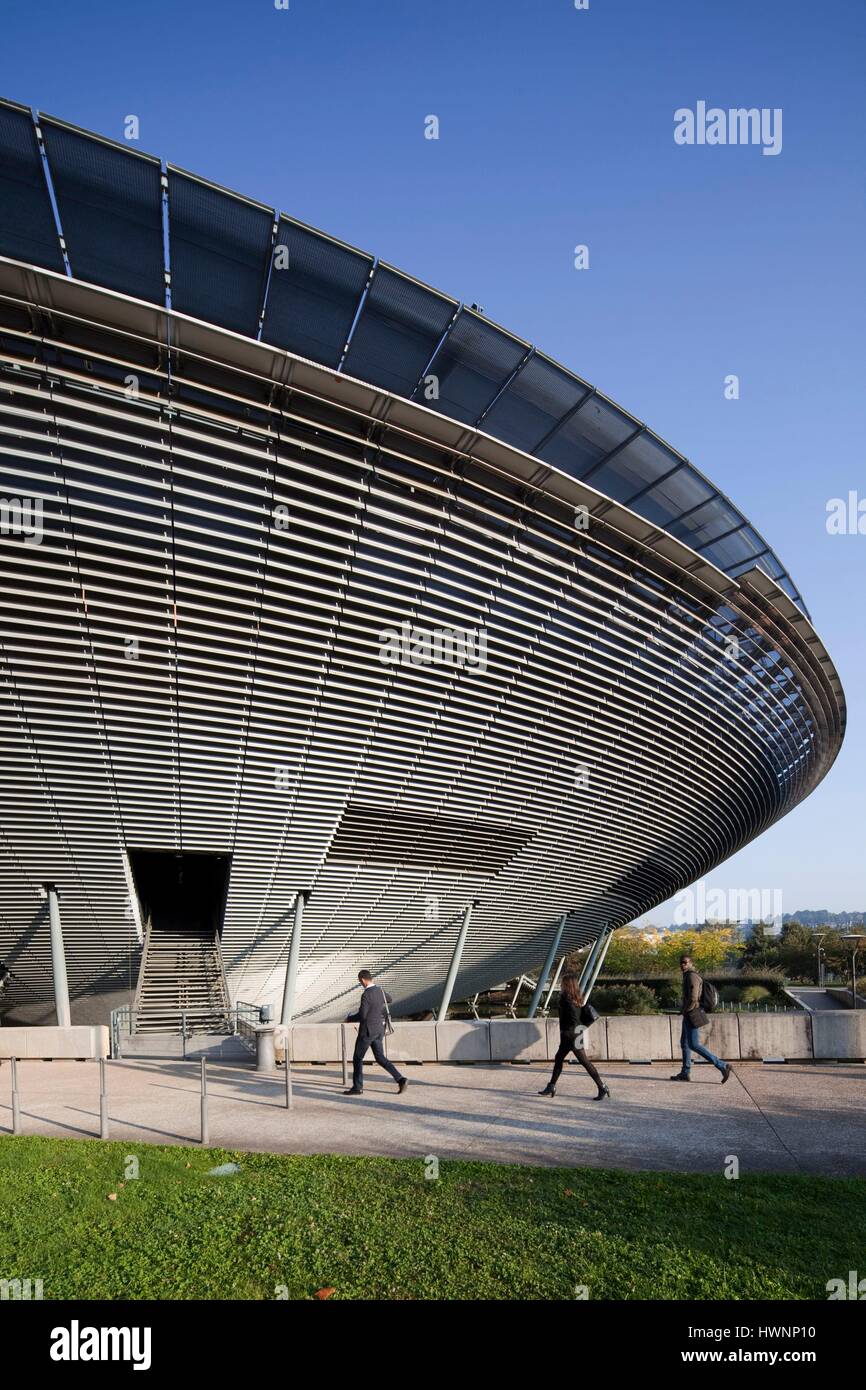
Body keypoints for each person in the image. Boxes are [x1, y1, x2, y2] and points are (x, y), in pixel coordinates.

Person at [538, 972, 609, 1100]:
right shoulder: (576, 998)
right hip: (576, 1035)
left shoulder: (566, 998)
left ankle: (602, 1087)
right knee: (561, 1058)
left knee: (582, 1062)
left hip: (570, 1036)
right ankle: (551, 1085)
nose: (560, 985)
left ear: (567, 985)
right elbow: (578, 1019)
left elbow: (573, 1019)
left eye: (563, 983)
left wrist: (567, 1031)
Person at [344, 969, 408, 1096]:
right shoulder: (380, 990)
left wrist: (349, 1018)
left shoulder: (366, 994)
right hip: (379, 1030)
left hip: (367, 1031)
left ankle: (357, 1087)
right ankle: (401, 1079)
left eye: (360, 981)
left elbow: (363, 1015)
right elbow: (389, 999)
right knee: (380, 1058)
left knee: (357, 1058)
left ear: (362, 980)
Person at [671, 954, 732, 1083]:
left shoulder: (692, 976)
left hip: (692, 1013)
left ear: (691, 963)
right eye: (681, 963)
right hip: (689, 1013)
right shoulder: (687, 975)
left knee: (694, 1044)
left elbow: (693, 998)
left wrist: (686, 1010)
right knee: (685, 1043)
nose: (682, 965)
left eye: (685, 962)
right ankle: (685, 1072)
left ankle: (722, 1065)